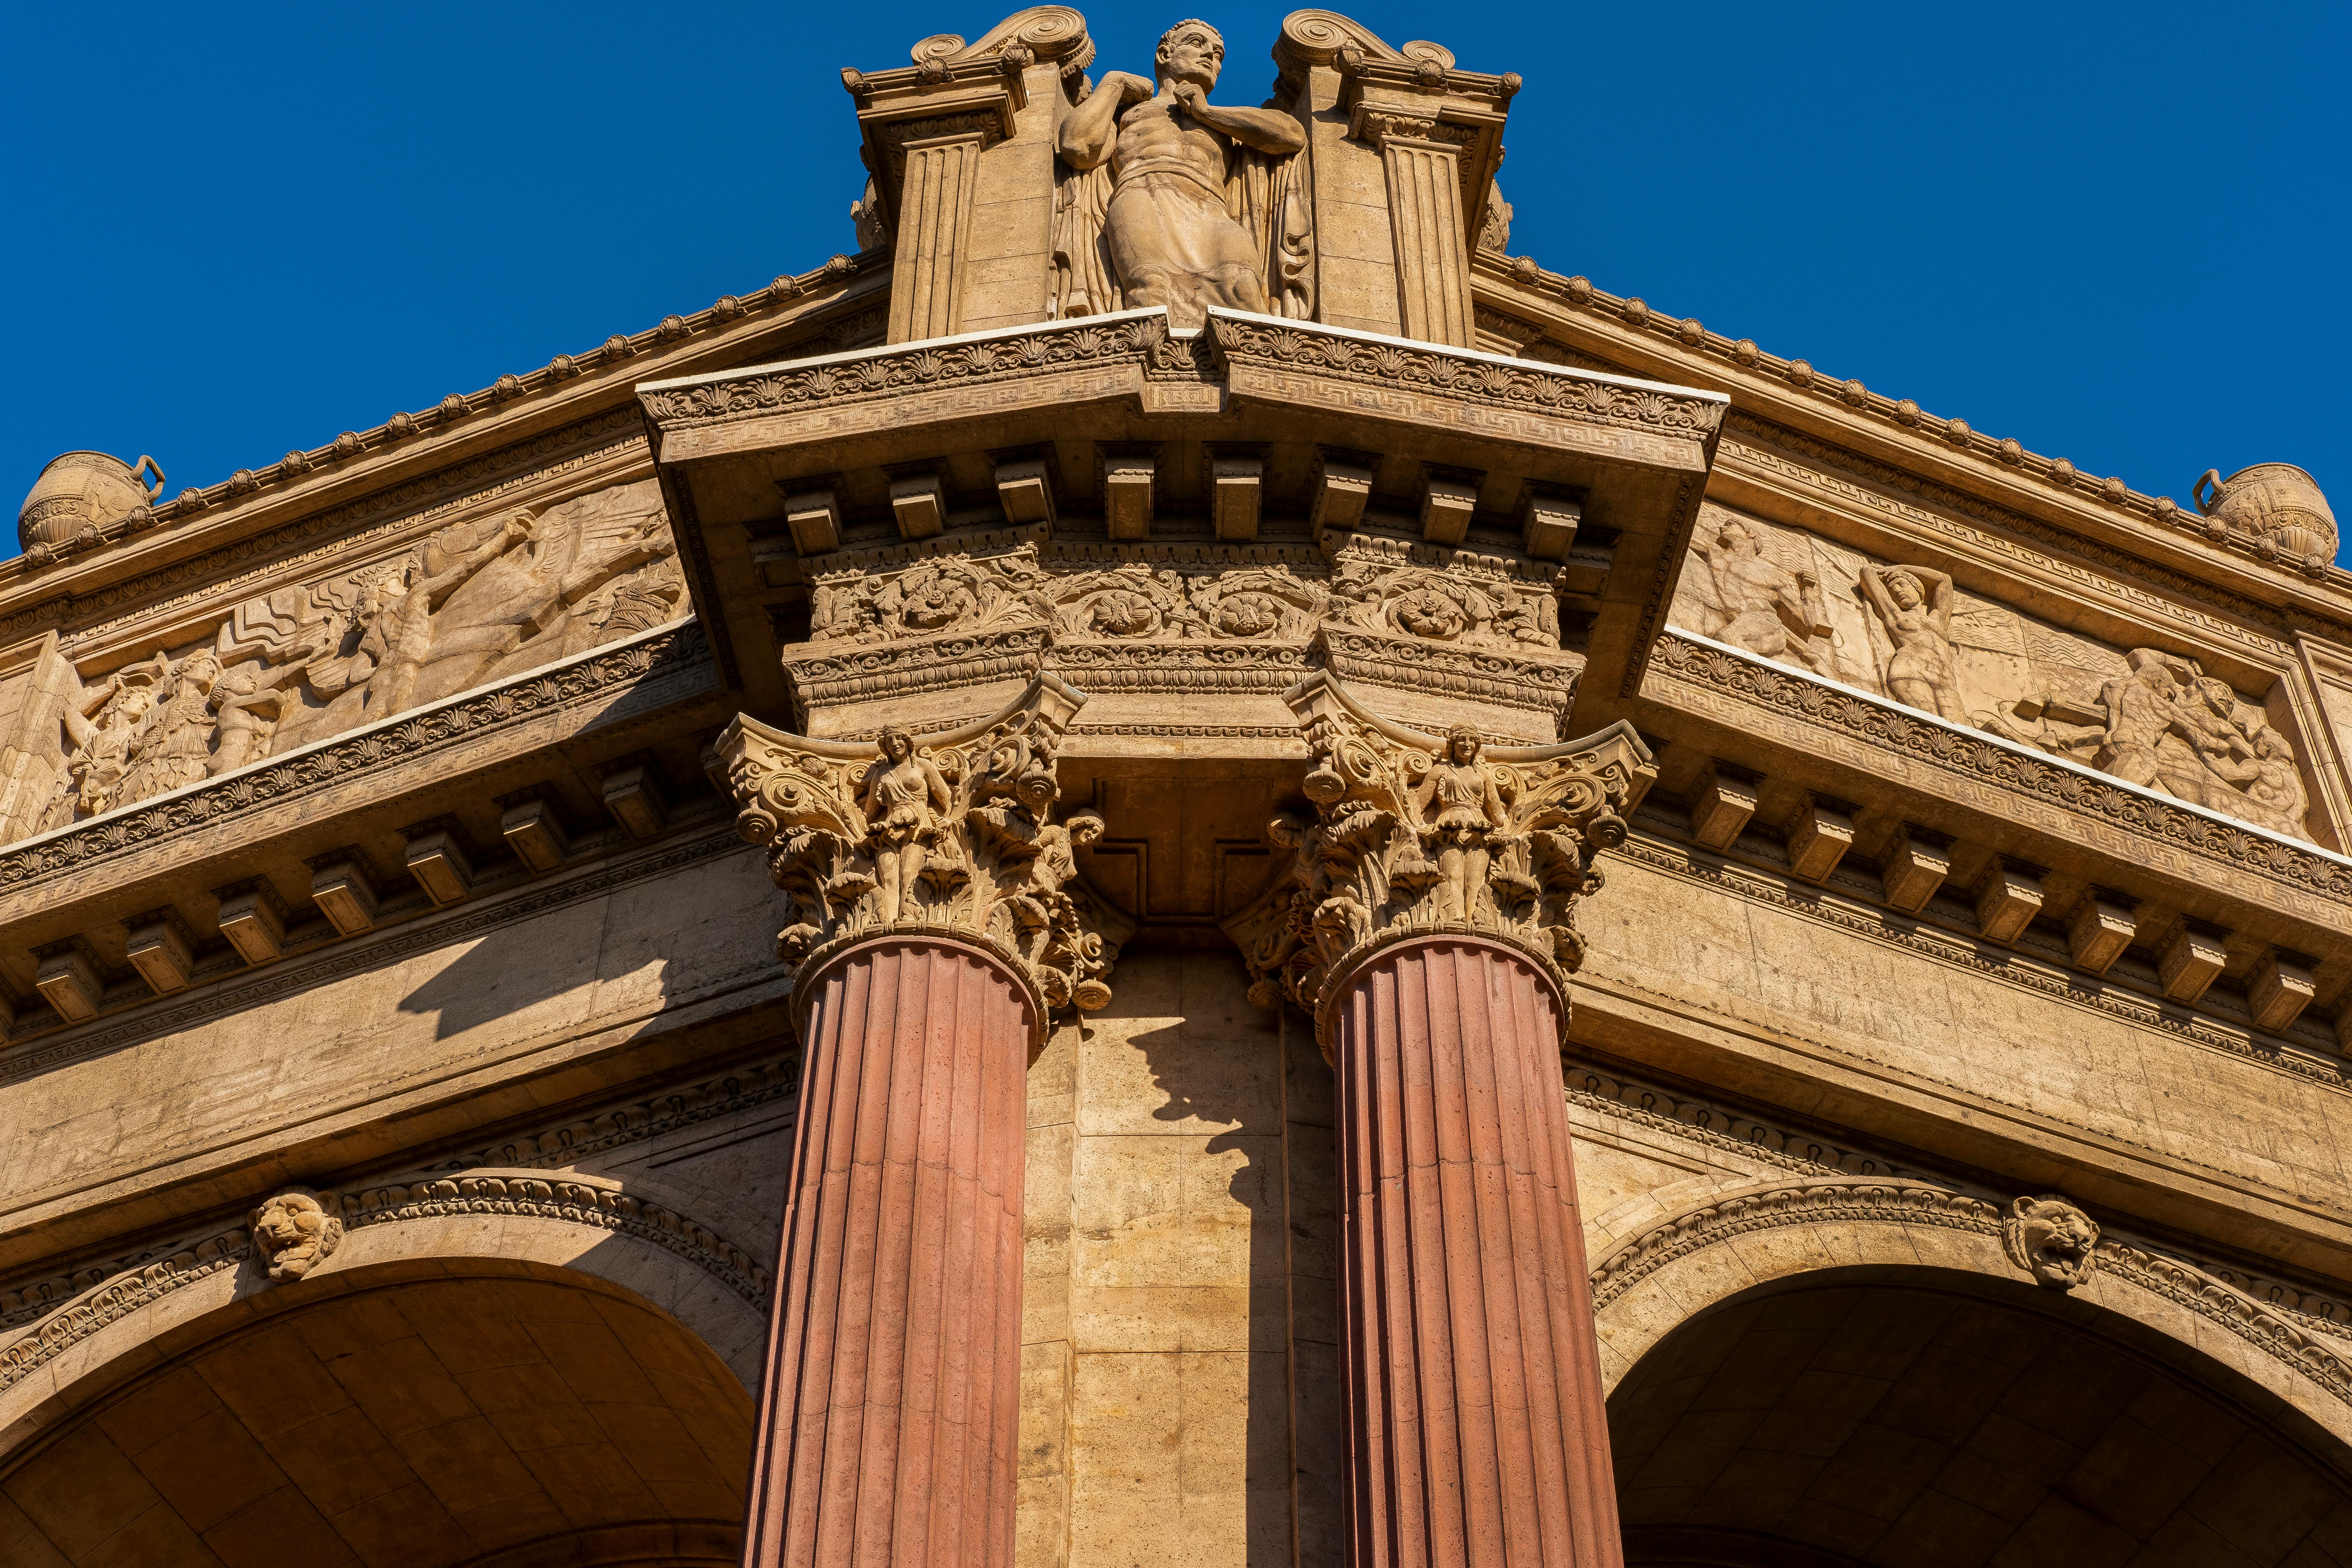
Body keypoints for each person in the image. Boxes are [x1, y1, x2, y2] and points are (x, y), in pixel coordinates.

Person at [1054, 19, 1304, 322]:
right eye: (1197, 44)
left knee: (1243, 290)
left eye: (1218, 54)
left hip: (1212, 211)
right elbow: (1077, 147)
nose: (1211, 57)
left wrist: (1207, 113)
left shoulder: (1226, 123)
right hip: (1143, 196)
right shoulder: (1127, 116)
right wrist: (1114, 83)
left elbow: (1292, 135)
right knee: (1150, 290)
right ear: (1164, 55)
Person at [1859, 563, 1969, 723]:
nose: (1897, 592)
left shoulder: (1938, 619)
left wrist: (1901, 569)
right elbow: (1867, 572)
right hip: (1909, 671)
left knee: (1960, 732)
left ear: (1918, 589)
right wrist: (1882, 573)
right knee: (1930, 727)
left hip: (1944, 679)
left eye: (1902, 585)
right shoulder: (1897, 616)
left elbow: (1944, 581)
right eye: (1892, 591)